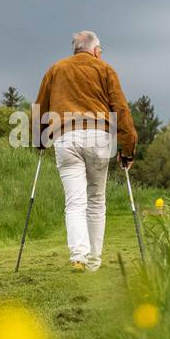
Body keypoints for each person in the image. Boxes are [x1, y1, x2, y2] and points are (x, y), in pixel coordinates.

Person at [33, 30, 137, 271]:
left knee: (74, 202)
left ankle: (78, 256)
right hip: (99, 137)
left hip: (66, 137)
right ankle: (93, 263)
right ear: (96, 50)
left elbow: (40, 106)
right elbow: (121, 109)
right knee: (96, 200)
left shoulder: (56, 69)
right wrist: (128, 148)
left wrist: (40, 140)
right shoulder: (105, 69)